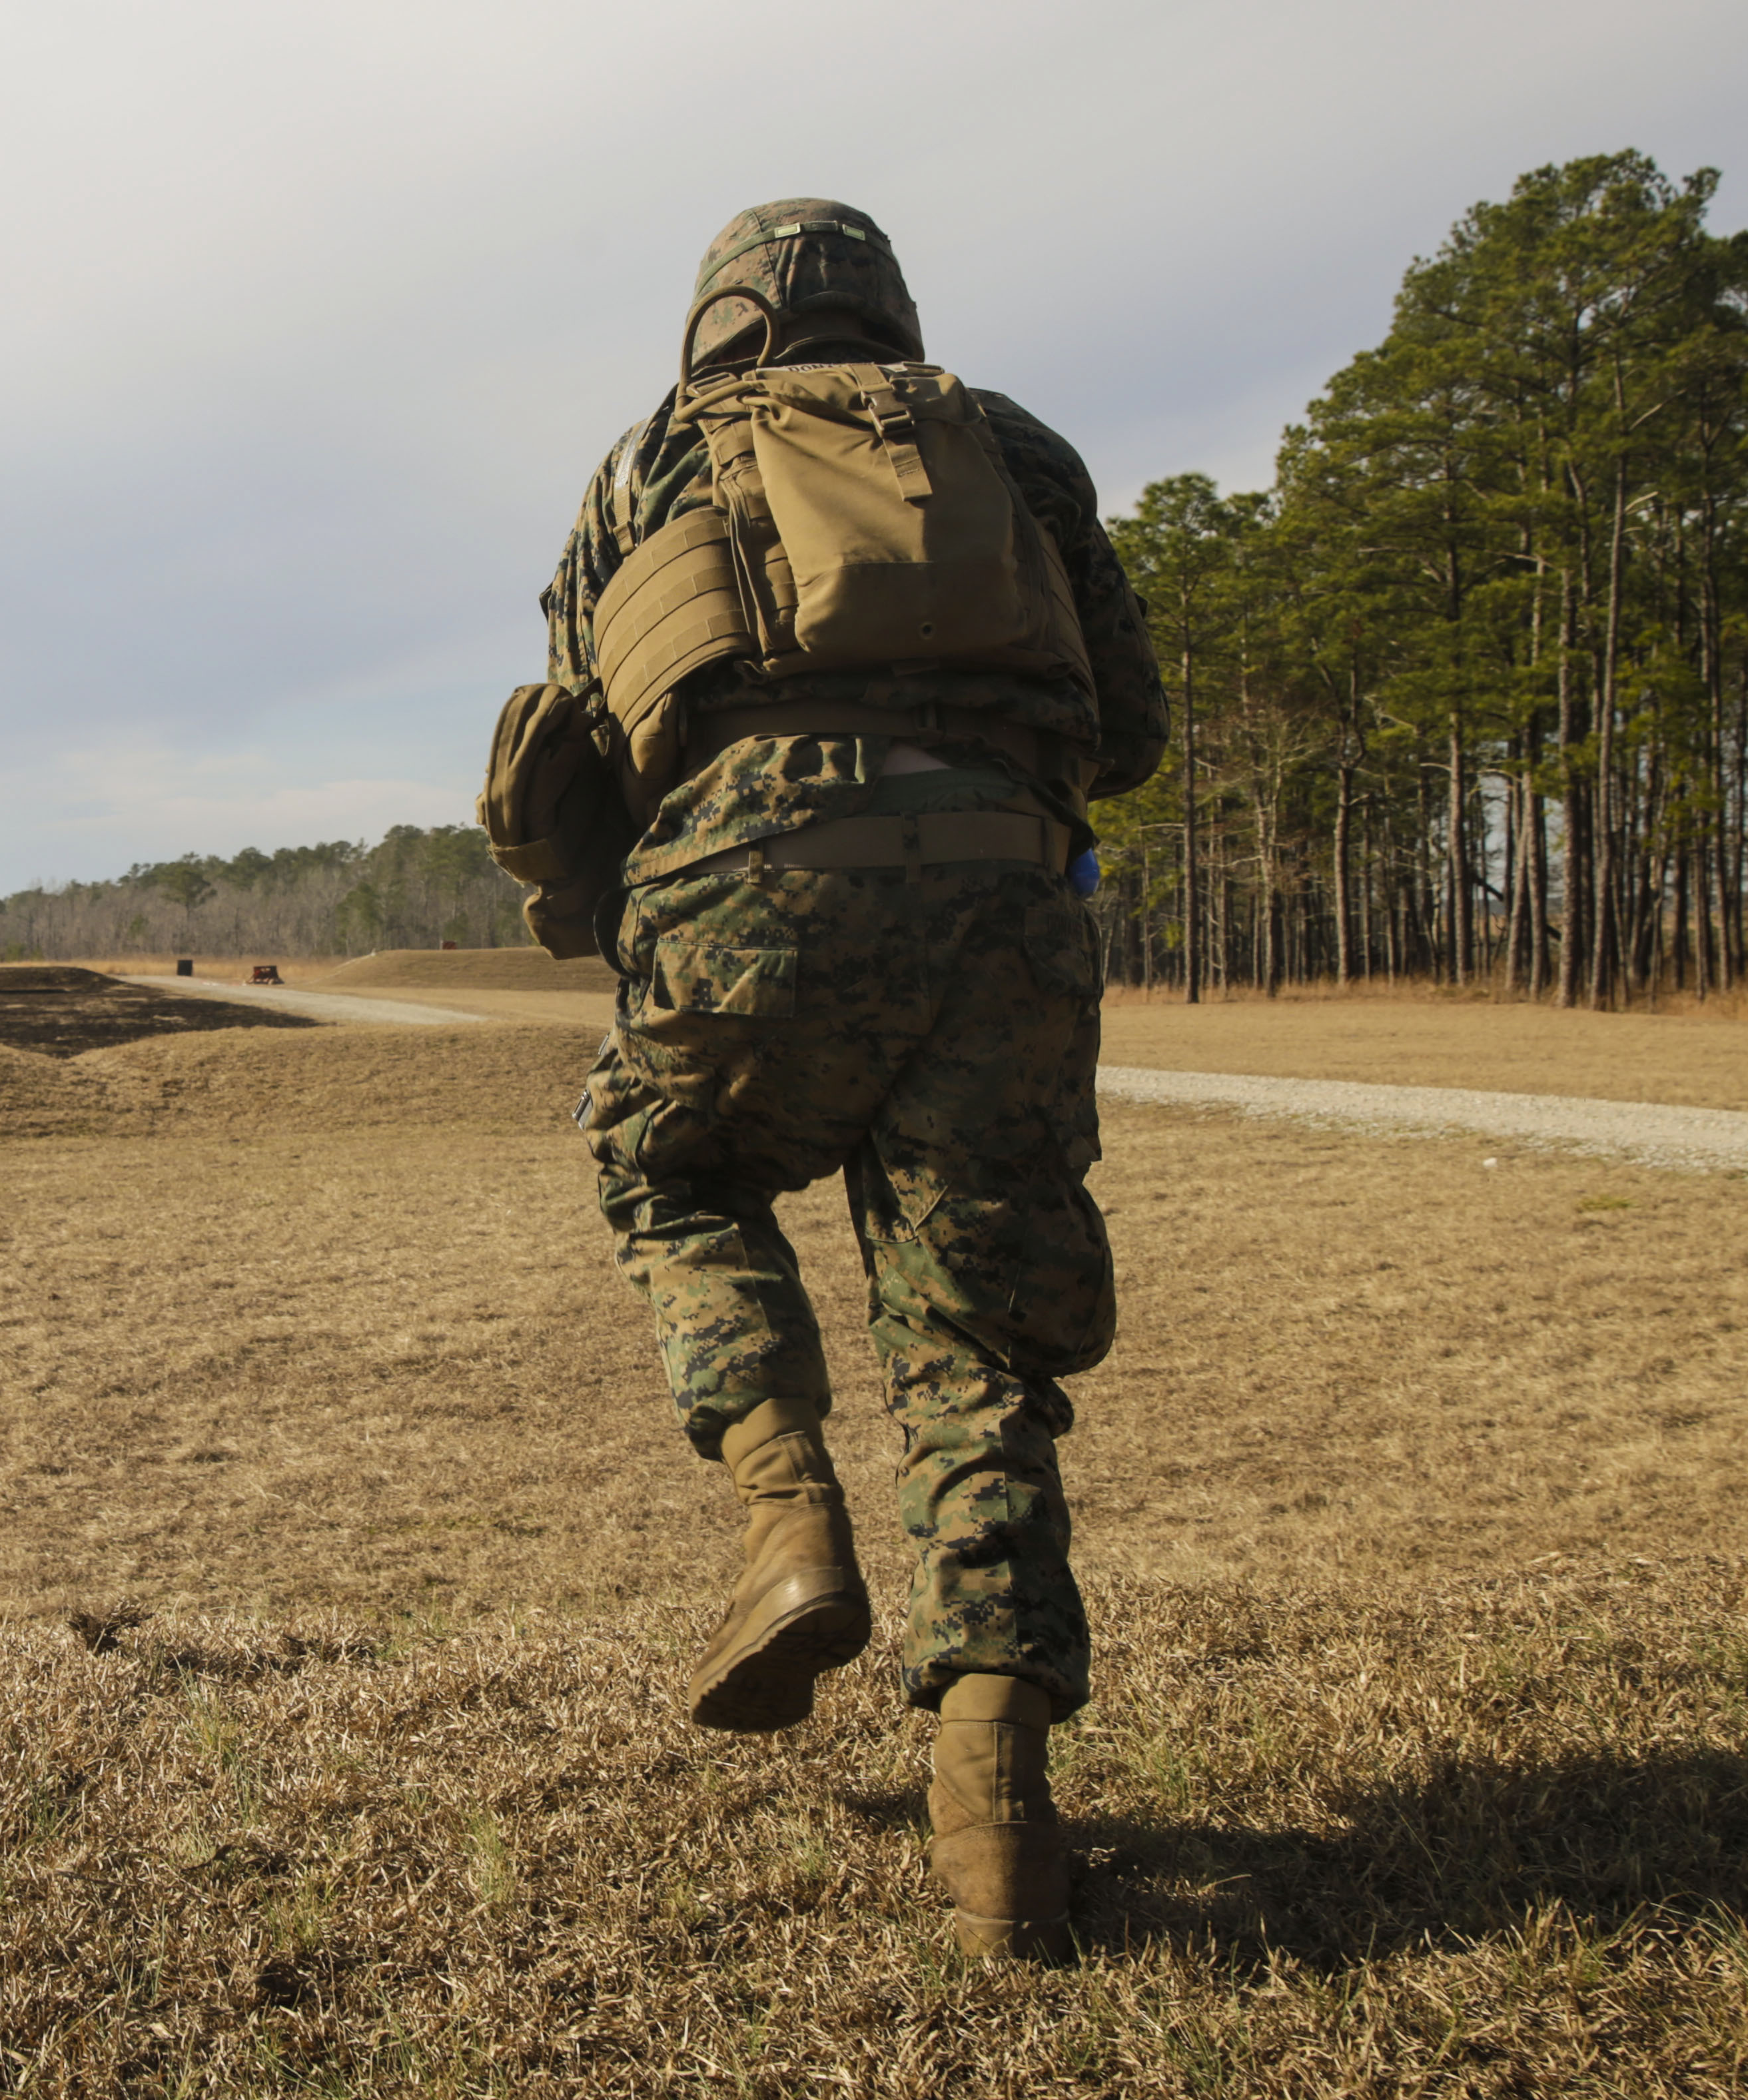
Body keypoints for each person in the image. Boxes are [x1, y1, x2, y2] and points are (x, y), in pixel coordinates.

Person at [533, 200, 1170, 1959]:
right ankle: (1000, 1842)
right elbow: (1128, 725)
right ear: (880, 308)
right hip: (1001, 906)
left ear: (717, 325)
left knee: (669, 1169)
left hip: (745, 889)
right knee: (976, 1351)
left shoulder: (652, 458)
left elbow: (583, 730)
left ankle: (783, 1517)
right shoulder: (1009, 444)